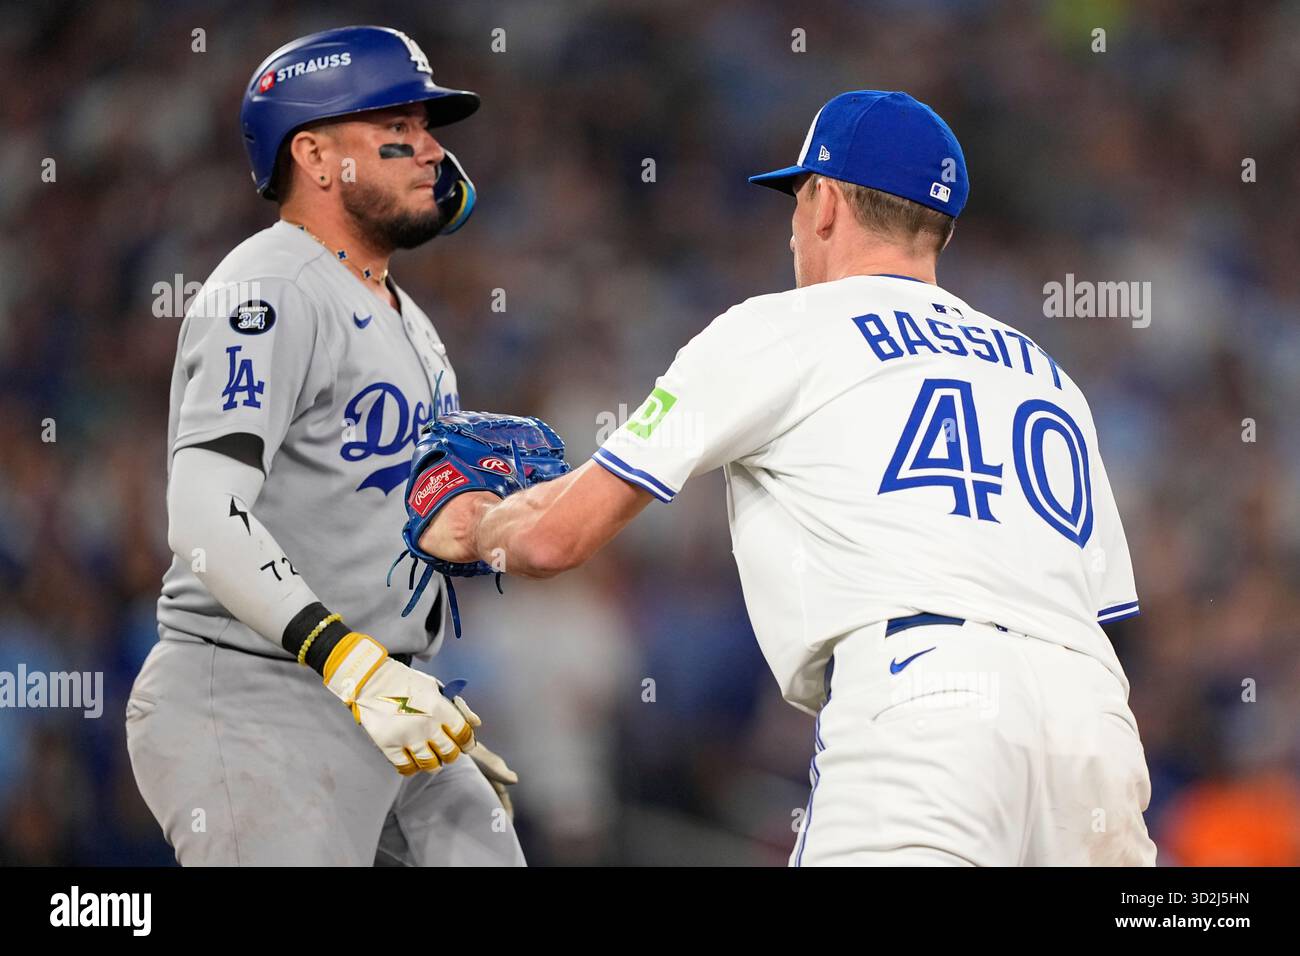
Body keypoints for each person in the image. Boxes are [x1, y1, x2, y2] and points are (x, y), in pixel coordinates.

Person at [418, 90, 1158, 866]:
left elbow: (552, 538)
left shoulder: (778, 329)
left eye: (798, 200)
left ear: (827, 202)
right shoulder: (1048, 377)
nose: (795, 226)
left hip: (927, 706)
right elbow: (1099, 606)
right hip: (1093, 723)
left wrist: (471, 521)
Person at [125, 25, 524, 866]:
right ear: (313, 155)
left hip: (390, 695)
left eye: (429, 129)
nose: (431, 153)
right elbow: (201, 516)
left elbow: (380, 521)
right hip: (253, 692)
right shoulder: (269, 288)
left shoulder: (406, 319)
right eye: (398, 129)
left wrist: (488, 526)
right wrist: (351, 664)